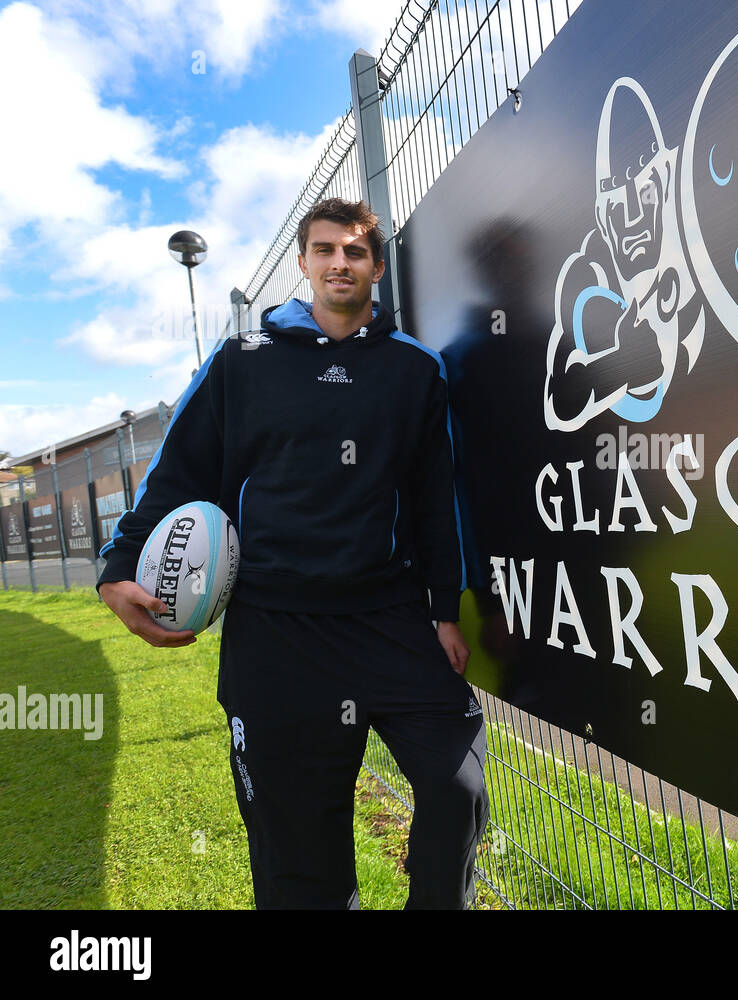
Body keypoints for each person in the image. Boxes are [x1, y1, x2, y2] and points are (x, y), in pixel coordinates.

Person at [96, 197, 489, 909]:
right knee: (298, 852)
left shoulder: (415, 370)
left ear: (375, 265)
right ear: (305, 262)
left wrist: (442, 609)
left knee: (453, 783)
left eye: (356, 251)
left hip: (389, 618)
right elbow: (180, 471)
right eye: (326, 249)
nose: (341, 261)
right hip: (275, 630)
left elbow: (436, 501)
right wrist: (117, 571)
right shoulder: (243, 362)